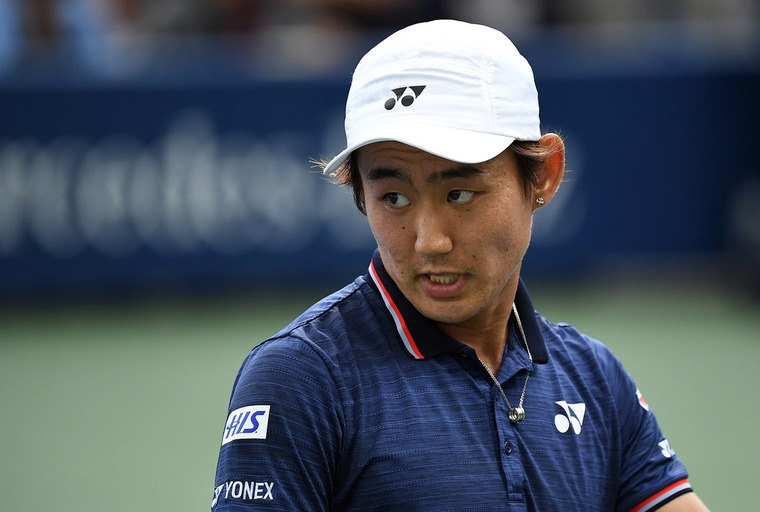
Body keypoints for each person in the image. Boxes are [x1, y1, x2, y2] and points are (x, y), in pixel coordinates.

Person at [212, 19, 709, 511]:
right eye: (393, 198)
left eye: (460, 193)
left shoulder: (595, 378)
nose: (430, 241)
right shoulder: (300, 378)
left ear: (544, 175)